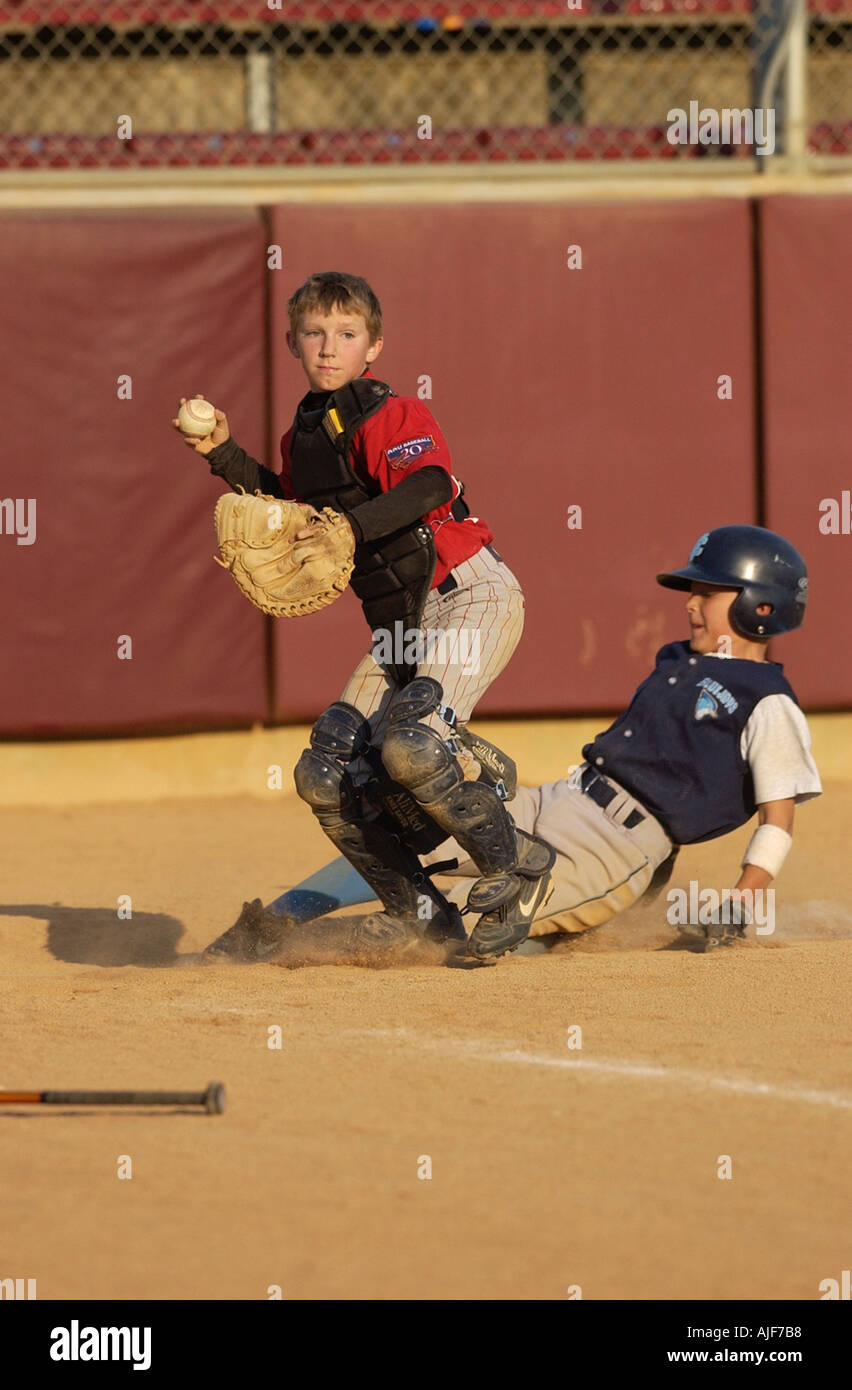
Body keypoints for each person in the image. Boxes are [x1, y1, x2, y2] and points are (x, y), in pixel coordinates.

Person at [204, 524, 821, 968]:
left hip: (614, 846)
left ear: (759, 606)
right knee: (415, 826)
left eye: (707, 592)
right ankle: (278, 919)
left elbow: (779, 816)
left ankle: (531, 938)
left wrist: (746, 893)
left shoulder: (769, 702)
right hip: (559, 797)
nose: (691, 602)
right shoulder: (678, 661)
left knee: (460, 923)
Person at [176, 270, 553, 961]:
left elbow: (432, 483)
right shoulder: (306, 436)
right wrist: (221, 454)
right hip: (402, 626)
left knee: (412, 746)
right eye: (314, 333)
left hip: (471, 595)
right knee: (324, 772)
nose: (328, 347)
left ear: (373, 346)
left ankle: (519, 866)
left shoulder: (390, 413)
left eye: (346, 334)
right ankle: (416, 908)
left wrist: (348, 528)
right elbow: (288, 507)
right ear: (292, 341)